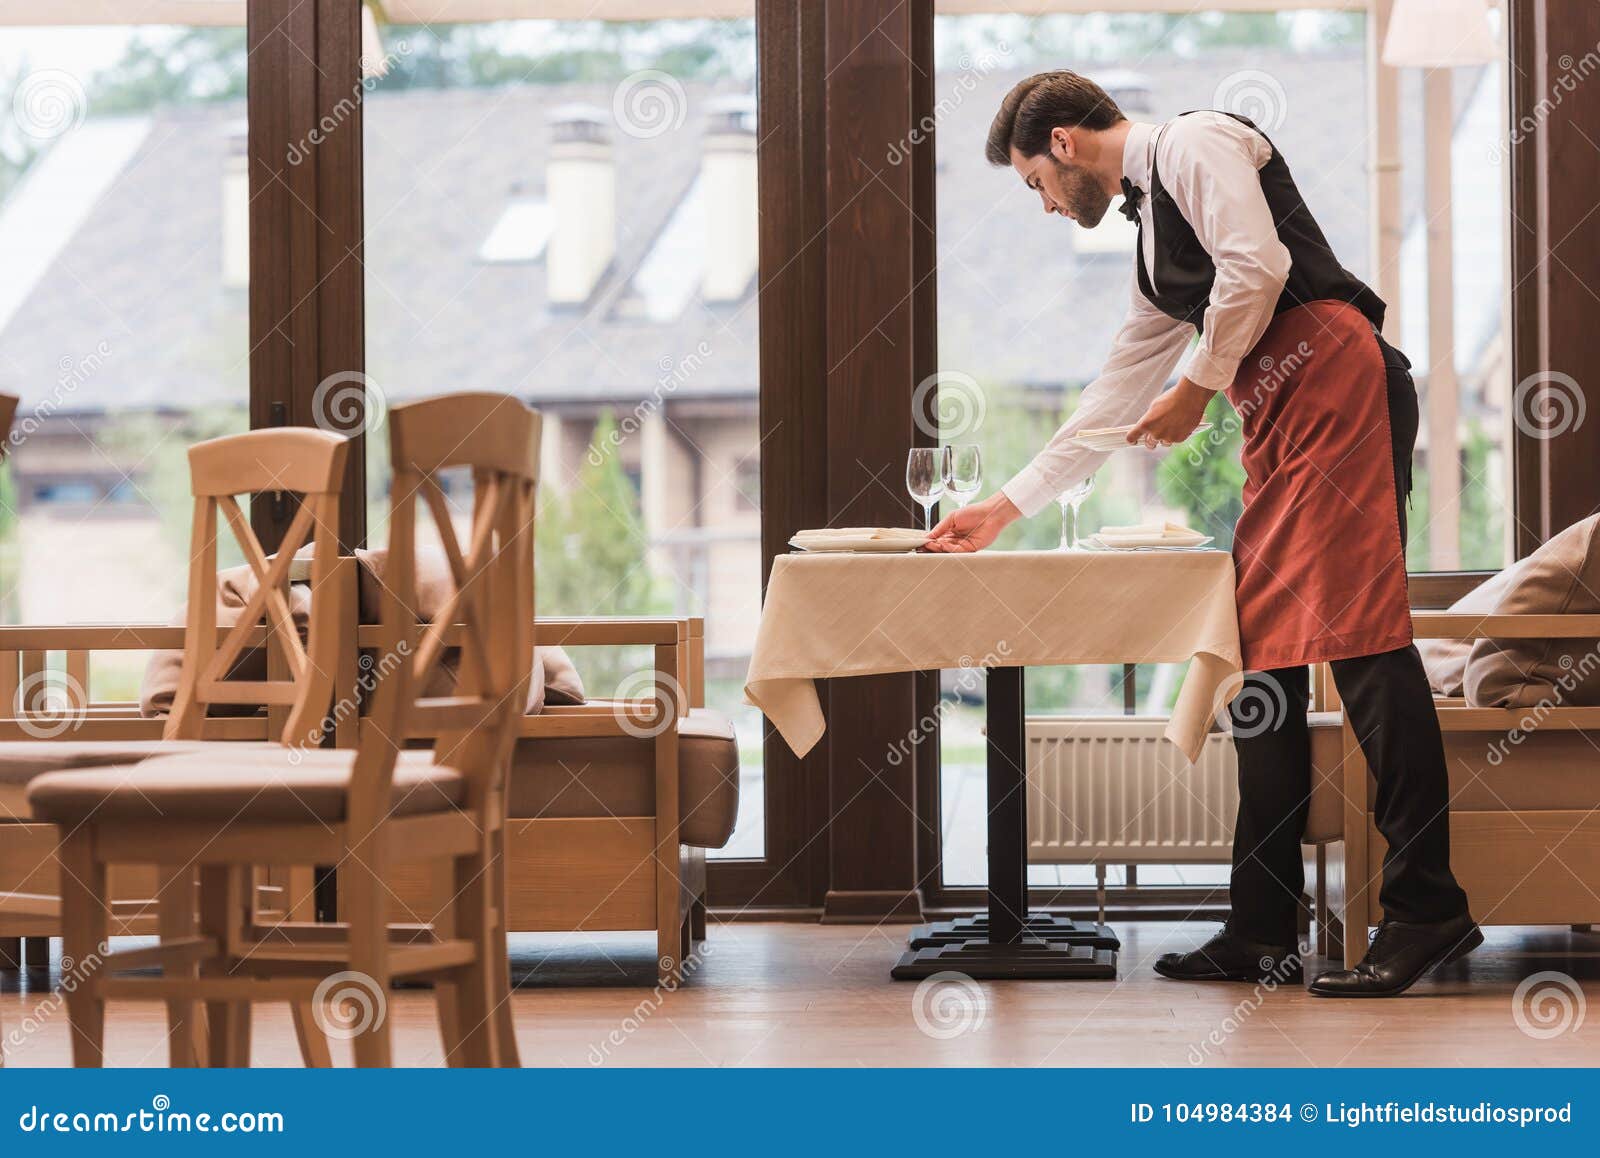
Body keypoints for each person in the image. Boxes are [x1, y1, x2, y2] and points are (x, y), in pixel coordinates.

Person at [925, 70, 1480, 997]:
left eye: (1035, 185)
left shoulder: (1194, 143)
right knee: (1258, 660)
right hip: (1281, 415)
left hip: (1337, 381)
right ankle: (1262, 928)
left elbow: (1259, 269)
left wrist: (1195, 386)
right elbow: (1114, 393)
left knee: (1366, 650)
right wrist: (1004, 506)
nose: (1047, 208)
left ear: (1064, 144)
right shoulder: (1150, 253)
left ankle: (1428, 910)